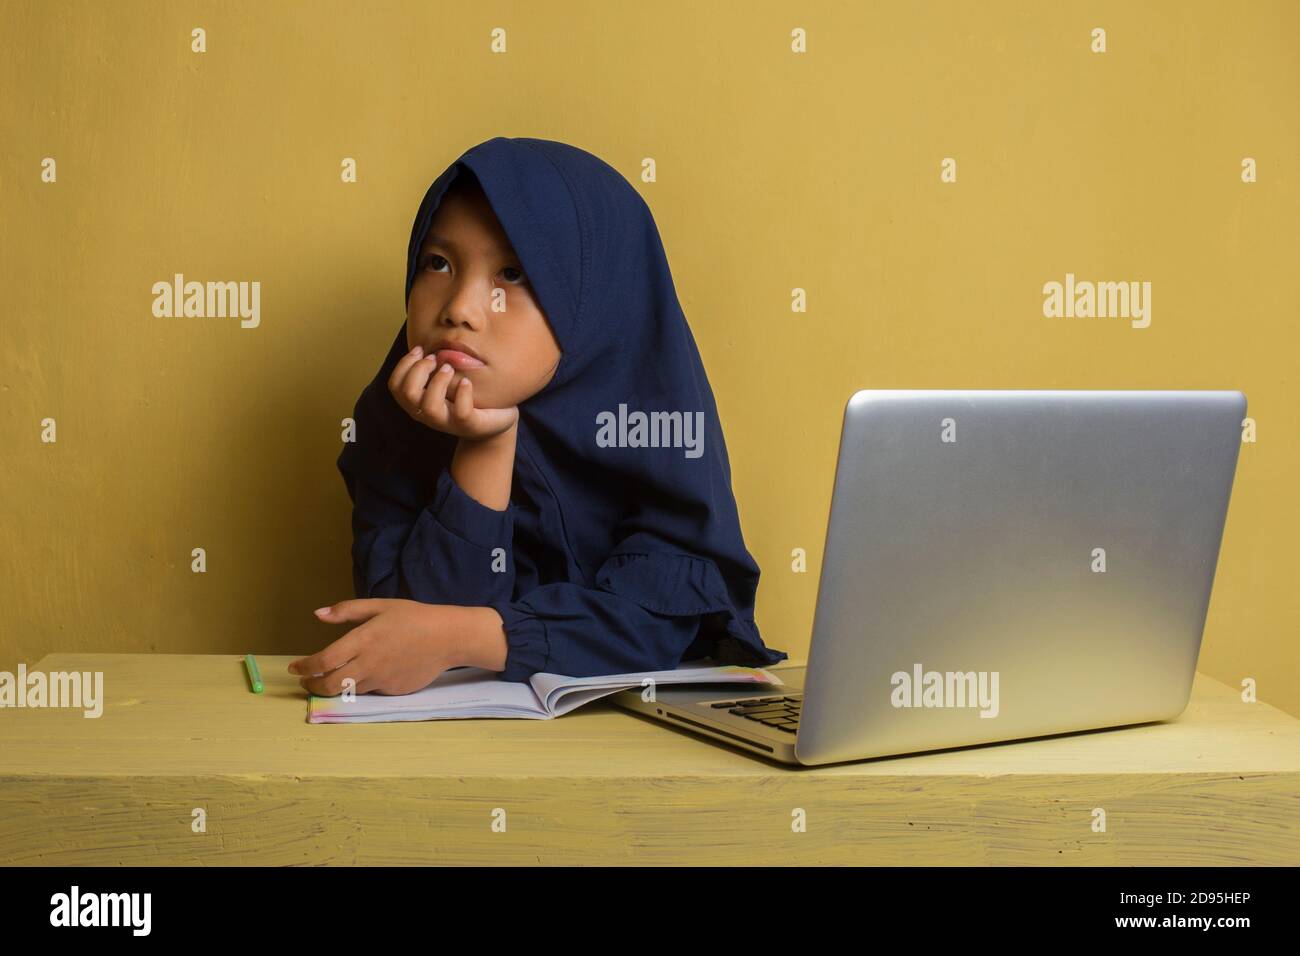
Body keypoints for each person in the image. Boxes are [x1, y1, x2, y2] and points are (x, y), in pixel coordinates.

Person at [289, 136, 787, 696]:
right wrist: (485, 447)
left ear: (595, 301)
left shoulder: (651, 426)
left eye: (514, 275)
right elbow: (408, 638)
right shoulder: (395, 419)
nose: (459, 309)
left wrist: (469, 637)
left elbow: (667, 621)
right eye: (437, 263)